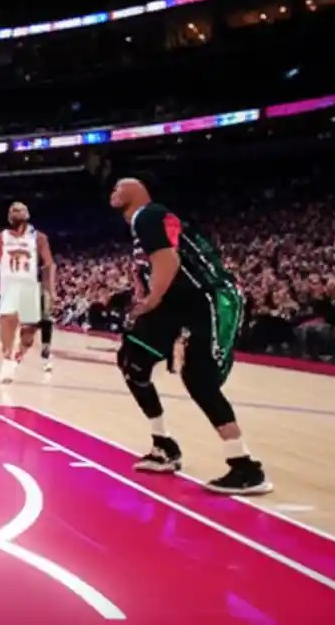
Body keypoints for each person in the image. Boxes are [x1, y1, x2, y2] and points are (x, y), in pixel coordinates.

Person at [110, 177, 271, 494]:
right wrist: (143, 289)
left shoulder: (148, 213)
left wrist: (151, 300)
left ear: (139, 191)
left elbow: (169, 259)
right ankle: (164, 446)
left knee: (199, 377)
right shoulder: (140, 226)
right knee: (133, 359)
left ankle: (246, 467)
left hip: (209, 297)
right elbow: (159, 262)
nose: (112, 191)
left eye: (119, 186)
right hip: (177, 301)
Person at [0, 202, 56, 383]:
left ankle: (18, 355)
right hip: (9, 287)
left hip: (29, 287)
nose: (15, 212)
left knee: (28, 334)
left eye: (19, 209)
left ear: (27, 214)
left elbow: (49, 264)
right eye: (12, 210)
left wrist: (51, 289)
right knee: (7, 322)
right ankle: (6, 361)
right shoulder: (1, 237)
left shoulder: (38, 237)